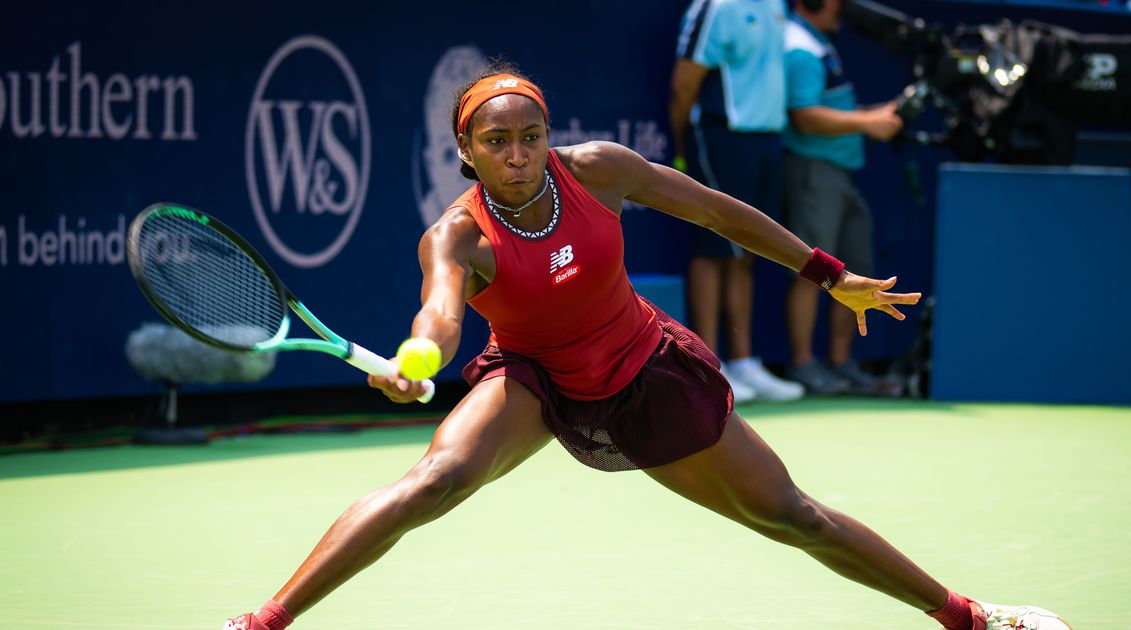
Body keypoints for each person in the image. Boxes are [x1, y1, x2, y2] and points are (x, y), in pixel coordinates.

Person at [225, 65, 1070, 630]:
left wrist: (828, 273)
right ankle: (263, 622)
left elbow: (717, 211)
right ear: (465, 151)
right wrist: (420, 361)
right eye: (496, 142)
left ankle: (967, 616)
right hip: (534, 376)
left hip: (644, 369)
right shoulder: (457, 238)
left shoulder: (600, 170)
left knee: (790, 515)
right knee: (433, 481)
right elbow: (439, 317)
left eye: (531, 135)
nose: (518, 155)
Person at [669, 0, 805, 403]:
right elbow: (684, 84)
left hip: (767, 139)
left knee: (748, 249)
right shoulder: (715, 6)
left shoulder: (776, 5)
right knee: (713, 247)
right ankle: (708, 362)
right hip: (720, 137)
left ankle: (743, 360)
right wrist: (684, 147)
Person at [782, 0, 904, 396]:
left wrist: (873, 115)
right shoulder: (799, 45)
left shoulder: (817, 41)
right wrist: (870, 122)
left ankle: (842, 363)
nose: (845, 5)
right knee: (812, 268)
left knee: (852, 269)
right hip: (815, 173)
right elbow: (806, 115)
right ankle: (803, 365)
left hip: (840, 174)